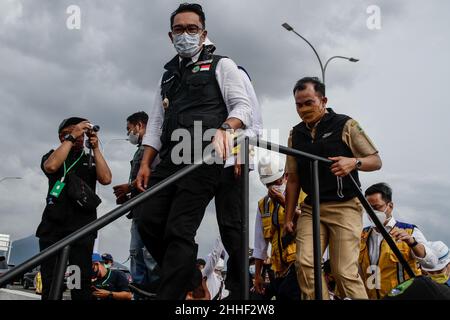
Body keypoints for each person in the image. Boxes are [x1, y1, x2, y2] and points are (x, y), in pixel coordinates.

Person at [134, 3, 252, 299]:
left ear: (203, 34)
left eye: (192, 29)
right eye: (179, 29)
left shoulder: (222, 65)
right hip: (171, 157)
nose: (185, 34)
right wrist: (146, 162)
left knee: (179, 229)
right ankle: (189, 276)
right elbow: (155, 123)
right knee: (146, 216)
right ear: (169, 35)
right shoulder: (168, 76)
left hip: (204, 157)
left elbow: (243, 107)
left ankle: (171, 296)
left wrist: (226, 128)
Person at [284, 77, 382, 300]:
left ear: (323, 100)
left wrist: (354, 162)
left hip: (345, 206)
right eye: (298, 104)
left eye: (309, 102)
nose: (303, 109)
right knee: (304, 264)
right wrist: (289, 218)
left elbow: (375, 161)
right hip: (312, 208)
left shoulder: (345, 124)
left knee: (343, 271)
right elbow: (292, 179)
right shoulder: (295, 134)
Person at [204, 37, 263, 300]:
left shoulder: (235, 73)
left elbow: (254, 123)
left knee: (232, 226)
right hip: (199, 162)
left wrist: (240, 156)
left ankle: (239, 290)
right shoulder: (190, 80)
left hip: (231, 162)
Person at [37, 117, 112, 300]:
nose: (79, 137)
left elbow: (106, 179)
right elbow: (51, 166)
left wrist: (95, 147)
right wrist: (72, 136)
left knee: (79, 283)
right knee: (51, 281)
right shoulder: (52, 156)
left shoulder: (89, 159)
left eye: (81, 134)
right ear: (62, 136)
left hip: (82, 230)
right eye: (73, 132)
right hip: (53, 228)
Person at [359, 182, 437, 299]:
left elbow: (431, 263)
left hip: (404, 296)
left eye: (377, 207)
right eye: (368, 208)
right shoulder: (361, 236)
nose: (372, 212)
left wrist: (412, 242)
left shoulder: (410, 231)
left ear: (390, 206)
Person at [112, 111, 160, 298]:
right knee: (138, 264)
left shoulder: (154, 147)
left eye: (129, 129)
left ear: (139, 125)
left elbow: (156, 177)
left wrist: (129, 187)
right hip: (138, 213)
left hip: (151, 214)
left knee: (151, 264)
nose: (128, 134)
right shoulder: (141, 149)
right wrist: (128, 194)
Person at [253, 156, 301, 300]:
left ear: (285, 175)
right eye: (269, 184)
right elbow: (260, 244)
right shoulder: (263, 205)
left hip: (299, 262)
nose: (274, 186)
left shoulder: (301, 194)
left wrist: (284, 202)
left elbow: (307, 221)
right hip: (278, 268)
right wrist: (257, 275)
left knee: (287, 293)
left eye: (277, 181)